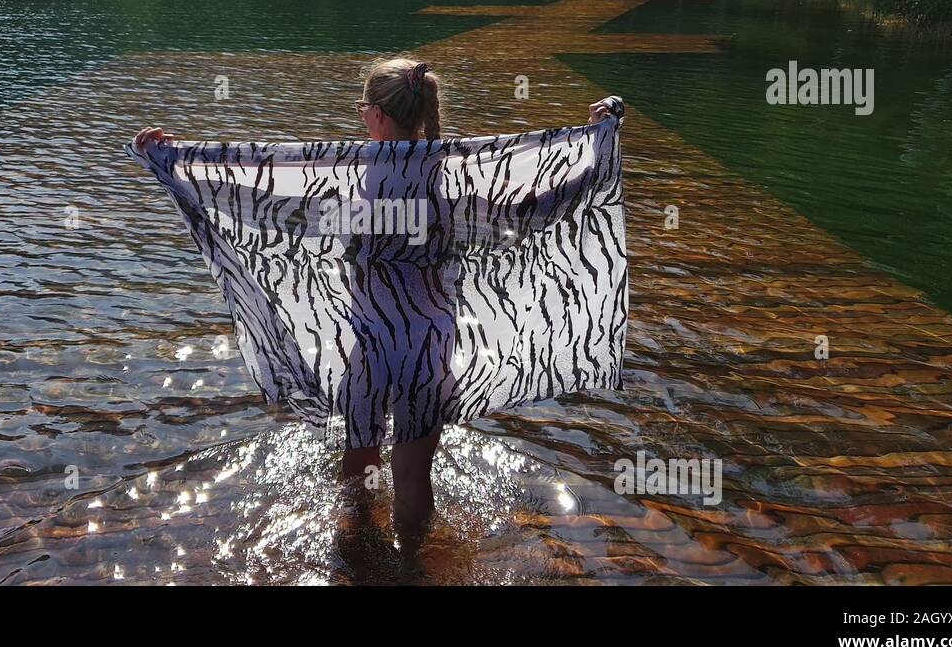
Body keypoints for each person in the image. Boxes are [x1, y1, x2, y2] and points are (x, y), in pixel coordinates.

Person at [132, 57, 616, 544]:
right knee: (413, 475)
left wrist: (168, 164)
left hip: (372, 340)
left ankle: (359, 551)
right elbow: (534, 209)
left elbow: (259, 203)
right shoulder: (453, 178)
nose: (361, 116)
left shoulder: (351, 181)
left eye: (364, 107)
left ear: (379, 115)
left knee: (360, 460)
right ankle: (410, 567)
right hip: (431, 342)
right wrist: (599, 144)